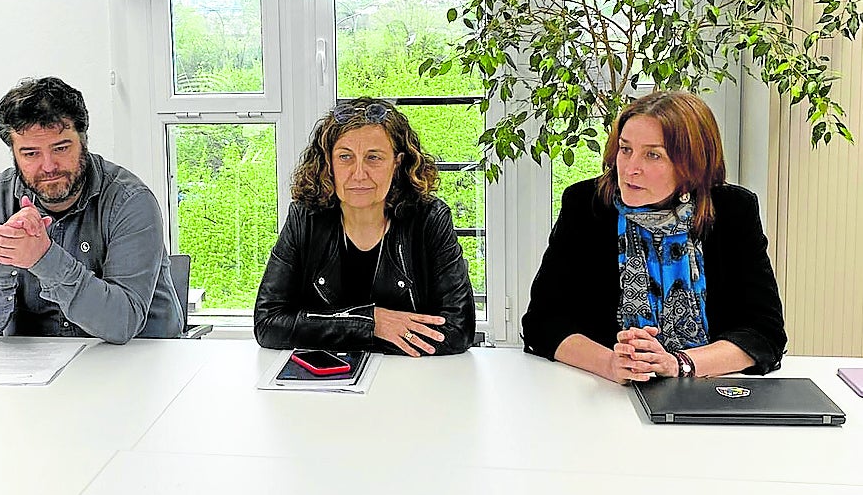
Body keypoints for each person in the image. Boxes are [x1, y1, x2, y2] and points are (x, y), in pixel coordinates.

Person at [522, 90, 786, 383]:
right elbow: (542, 322)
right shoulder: (587, 205)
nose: (631, 169)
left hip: (707, 389)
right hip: (603, 393)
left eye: (653, 155)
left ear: (691, 163)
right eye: (625, 149)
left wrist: (678, 364)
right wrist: (610, 363)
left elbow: (765, 333)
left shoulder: (733, 210)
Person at [0, 76, 181, 343]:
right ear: (14, 154)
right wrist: (3, 255)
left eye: (61, 148)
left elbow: (122, 324)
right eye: (31, 154)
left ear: (83, 140)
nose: (48, 166)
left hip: (138, 362)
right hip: (34, 372)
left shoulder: (130, 201)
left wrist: (43, 258)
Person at [254, 98, 476, 356]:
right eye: (345, 157)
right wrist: (371, 324)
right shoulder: (305, 218)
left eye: (374, 157)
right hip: (322, 384)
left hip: (412, 381)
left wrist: (325, 331)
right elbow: (268, 324)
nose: (359, 174)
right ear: (329, 163)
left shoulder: (429, 219)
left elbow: (458, 331)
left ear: (397, 163)